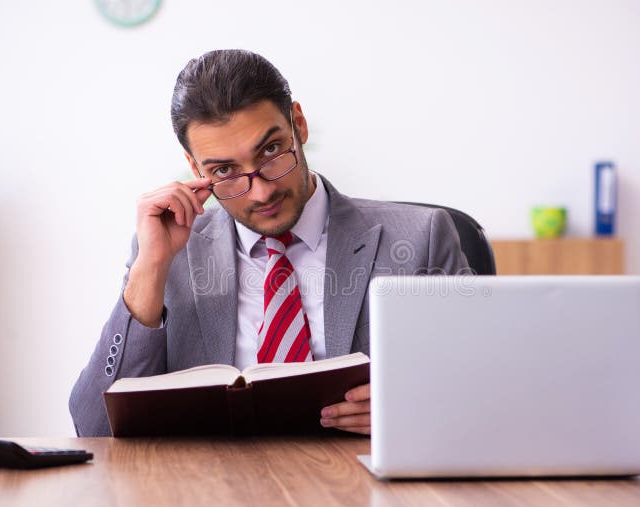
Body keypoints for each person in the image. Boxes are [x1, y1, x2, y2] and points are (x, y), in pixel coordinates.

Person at [69, 49, 471, 437]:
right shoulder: (167, 255)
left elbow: (488, 389)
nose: (260, 193)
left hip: (360, 492)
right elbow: (94, 428)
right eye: (225, 170)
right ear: (195, 169)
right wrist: (150, 269)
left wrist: (420, 408)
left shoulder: (422, 239)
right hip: (215, 495)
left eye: (272, 151)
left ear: (299, 123)